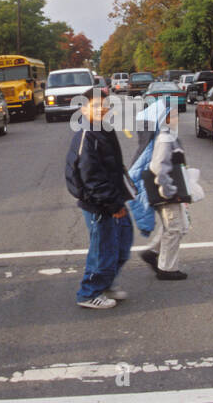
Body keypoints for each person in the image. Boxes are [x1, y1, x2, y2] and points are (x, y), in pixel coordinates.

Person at [64, 87, 134, 309]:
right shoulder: (88, 134)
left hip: (113, 199)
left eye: (105, 104)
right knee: (103, 250)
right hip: (99, 205)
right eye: (95, 105)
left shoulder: (103, 128)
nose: (102, 108)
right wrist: (113, 205)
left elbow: (112, 168)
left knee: (123, 243)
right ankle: (88, 293)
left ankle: (107, 282)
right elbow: (91, 178)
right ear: (84, 109)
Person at [138, 100, 192, 280]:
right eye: (172, 115)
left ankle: (153, 252)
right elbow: (158, 167)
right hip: (167, 192)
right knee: (174, 228)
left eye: (177, 115)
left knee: (181, 227)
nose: (176, 119)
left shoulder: (171, 135)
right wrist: (169, 191)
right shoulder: (164, 137)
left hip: (174, 190)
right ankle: (166, 269)